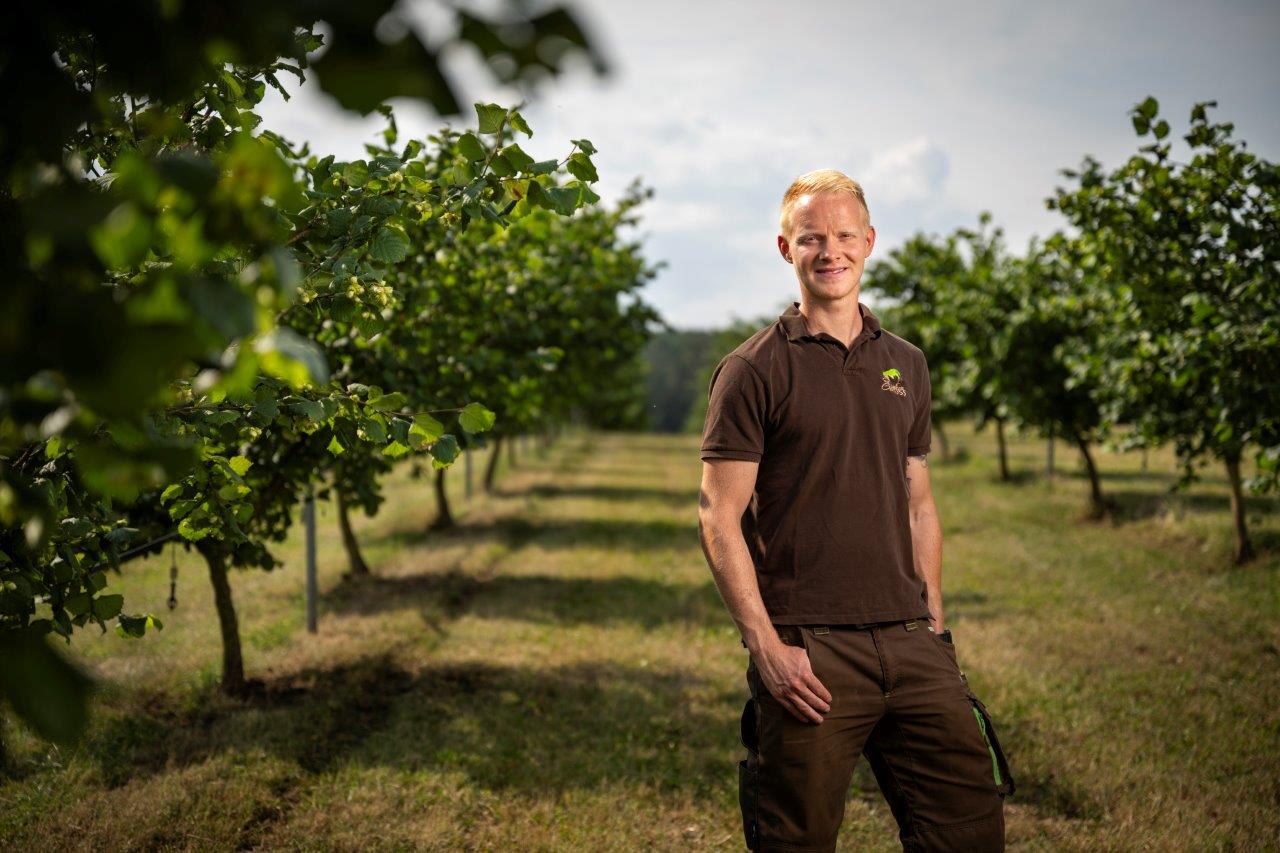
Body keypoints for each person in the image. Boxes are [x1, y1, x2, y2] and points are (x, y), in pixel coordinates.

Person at [697, 169, 1014, 852]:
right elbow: (718, 517)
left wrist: (934, 620)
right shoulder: (753, 369)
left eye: (844, 236)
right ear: (787, 249)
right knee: (797, 840)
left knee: (970, 829)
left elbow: (918, 502)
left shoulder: (907, 363)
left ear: (869, 242)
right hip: (812, 650)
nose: (830, 251)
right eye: (812, 238)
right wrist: (766, 646)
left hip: (911, 639)